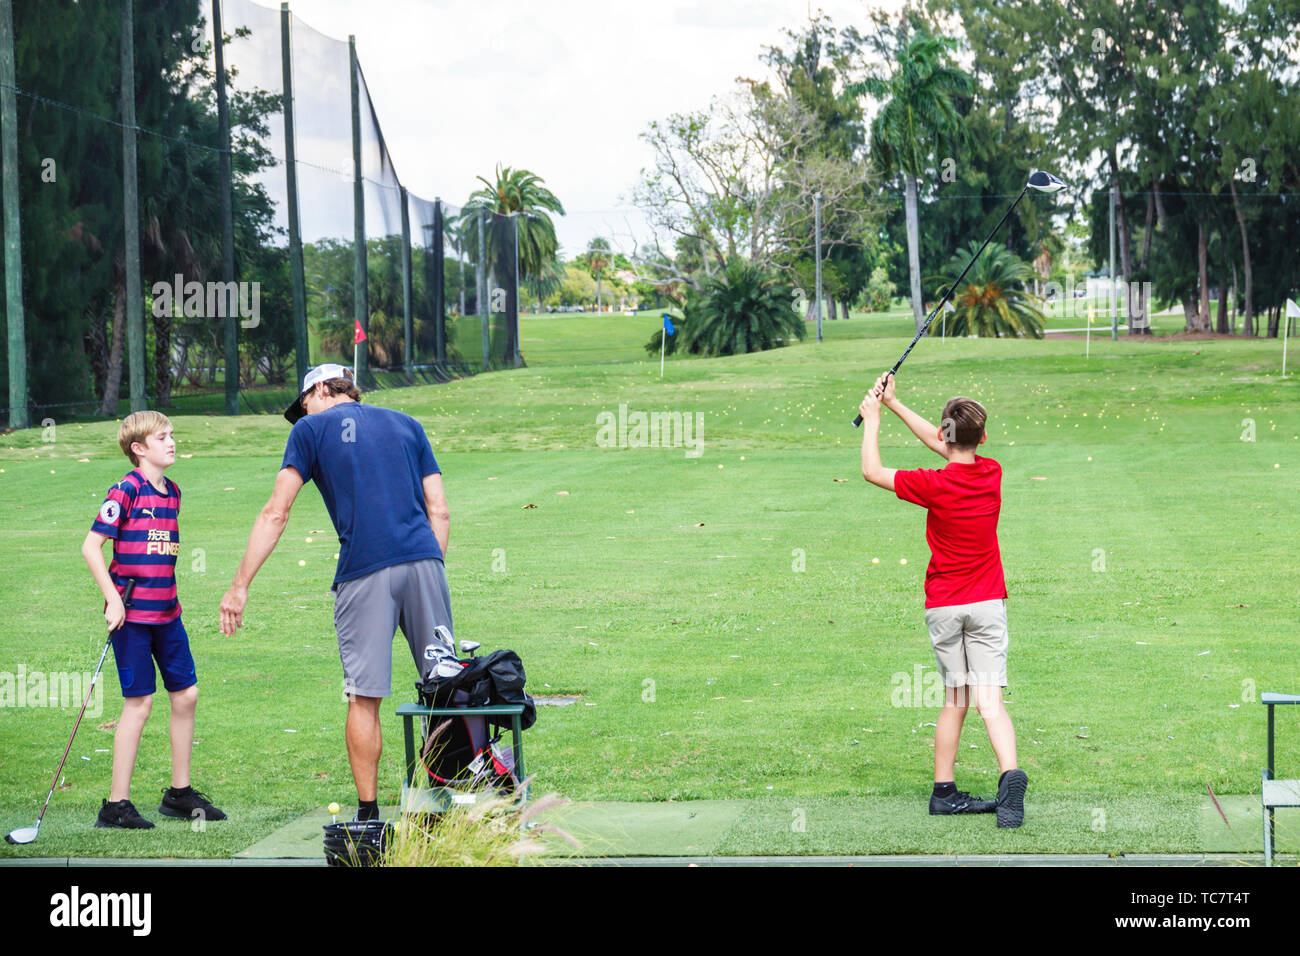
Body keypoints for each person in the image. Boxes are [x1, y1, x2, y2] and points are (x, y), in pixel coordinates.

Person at [218, 364, 452, 823]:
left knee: (365, 697)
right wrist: (432, 567)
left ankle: (368, 816)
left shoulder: (309, 430)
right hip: (426, 562)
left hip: (365, 571)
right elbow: (438, 510)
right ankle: (450, 800)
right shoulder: (408, 423)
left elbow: (275, 513)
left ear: (321, 389)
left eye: (304, 402)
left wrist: (239, 586)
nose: (302, 413)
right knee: (445, 687)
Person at [858, 372, 1029, 828]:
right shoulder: (992, 473)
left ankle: (944, 793)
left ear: (942, 434)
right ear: (984, 438)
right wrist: (894, 404)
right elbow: (951, 448)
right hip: (987, 602)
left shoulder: (933, 484)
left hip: (945, 606)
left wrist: (875, 416)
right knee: (989, 700)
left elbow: (873, 472)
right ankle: (1010, 779)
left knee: (956, 697)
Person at [81, 411, 225, 829]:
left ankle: (179, 795)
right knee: (139, 704)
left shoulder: (173, 492)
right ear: (138, 449)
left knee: (186, 696)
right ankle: (116, 806)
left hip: (168, 613)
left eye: (172, 435)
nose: (172, 442)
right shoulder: (124, 489)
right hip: (131, 616)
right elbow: (92, 548)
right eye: (162, 437)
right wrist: (112, 600)